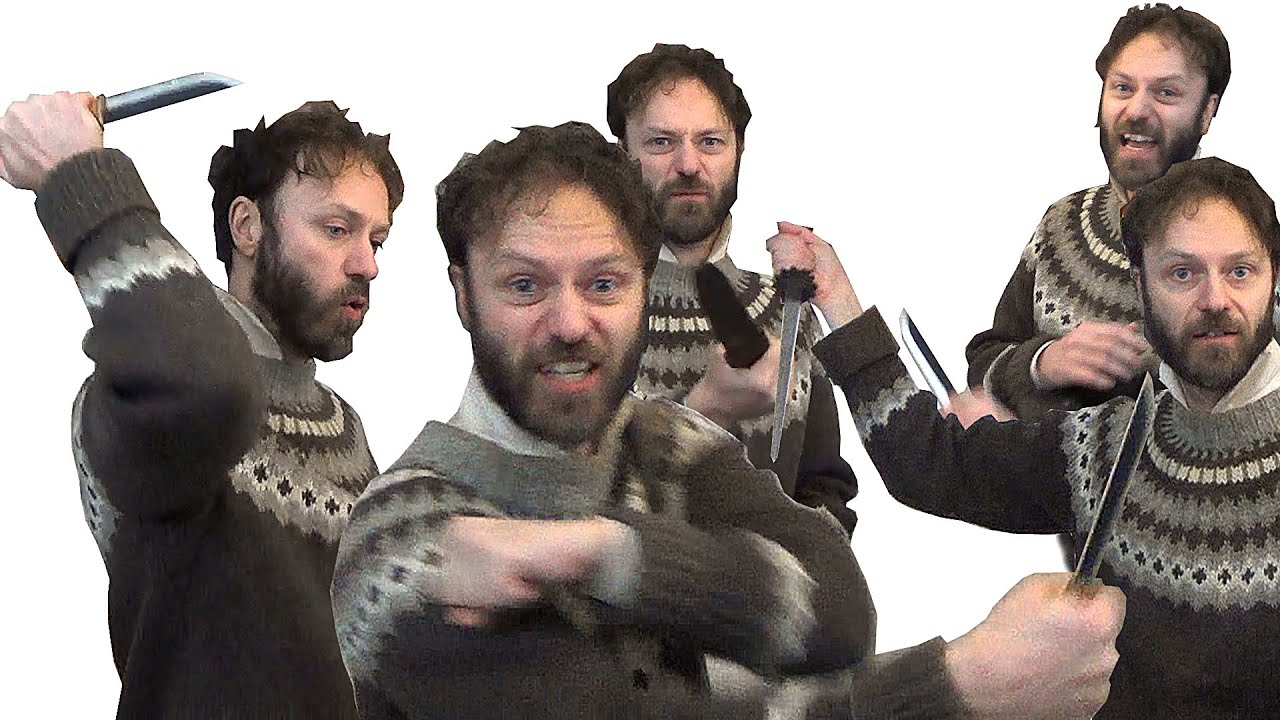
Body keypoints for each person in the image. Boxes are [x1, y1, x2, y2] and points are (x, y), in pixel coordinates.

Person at [330, 121, 1124, 720]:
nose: (569, 323)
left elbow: (838, 613)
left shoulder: (667, 443)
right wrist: (957, 686)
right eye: (524, 286)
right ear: (463, 295)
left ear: (644, 289)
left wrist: (598, 551)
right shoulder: (402, 536)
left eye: (604, 284)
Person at [783, 156, 1280, 717]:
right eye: (1182, 274)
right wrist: (840, 302)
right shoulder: (1105, 447)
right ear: (1141, 288)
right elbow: (928, 462)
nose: (1215, 300)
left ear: (1274, 279)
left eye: (1241, 271)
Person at [0, 92, 402, 718]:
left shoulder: (346, 430)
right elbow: (199, 380)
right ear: (247, 227)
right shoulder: (140, 396)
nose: (367, 264)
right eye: (336, 229)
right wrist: (78, 175)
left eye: (377, 239)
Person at [608, 44, 858, 533]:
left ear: (738, 150)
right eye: (661, 142)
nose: (688, 164)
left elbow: (824, 488)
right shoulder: (585, 309)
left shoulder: (788, 309)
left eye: (710, 142)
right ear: (623, 154)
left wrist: (809, 571)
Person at [966, 4, 1229, 422]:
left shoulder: (1247, 238)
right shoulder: (1062, 224)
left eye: (1166, 93)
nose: (1136, 111)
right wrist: (1044, 362)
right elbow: (984, 364)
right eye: (1122, 88)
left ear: (1207, 112)